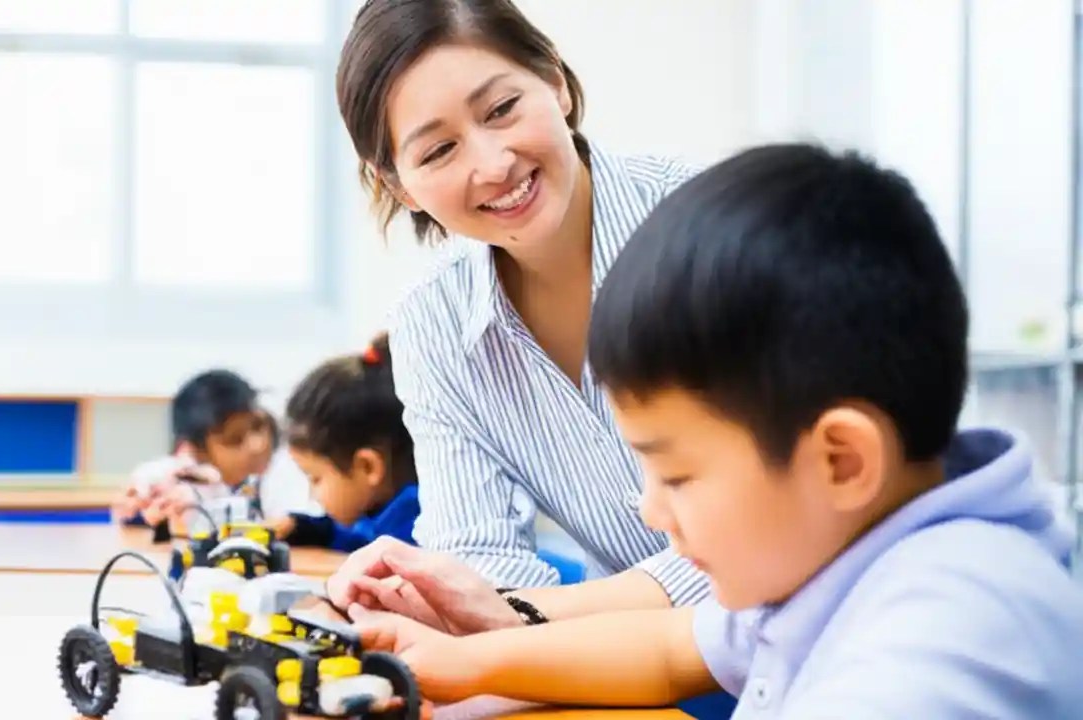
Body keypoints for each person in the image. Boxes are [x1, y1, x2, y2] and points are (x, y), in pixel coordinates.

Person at [347, 143, 1083, 715]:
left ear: (842, 459)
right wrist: (454, 663)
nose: (651, 510)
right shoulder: (841, 552)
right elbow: (669, 647)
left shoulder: (948, 635)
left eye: (677, 475)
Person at [327, 0, 709, 628]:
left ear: (555, 81)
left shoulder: (706, 227)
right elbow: (479, 559)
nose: (493, 164)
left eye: (502, 109)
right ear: (396, 183)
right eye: (439, 149)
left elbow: (771, 525)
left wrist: (527, 614)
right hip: (635, 661)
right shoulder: (435, 326)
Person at [271, 333, 421, 553]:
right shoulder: (380, 513)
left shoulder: (416, 530)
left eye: (316, 479)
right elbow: (353, 538)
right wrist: (304, 528)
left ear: (368, 467)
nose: (312, 495)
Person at [113, 368, 273, 532]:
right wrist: (144, 500)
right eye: (234, 439)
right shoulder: (184, 484)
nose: (257, 445)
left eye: (258, 426)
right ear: (195, 450)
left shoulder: (281, 471)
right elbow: (152, 480)